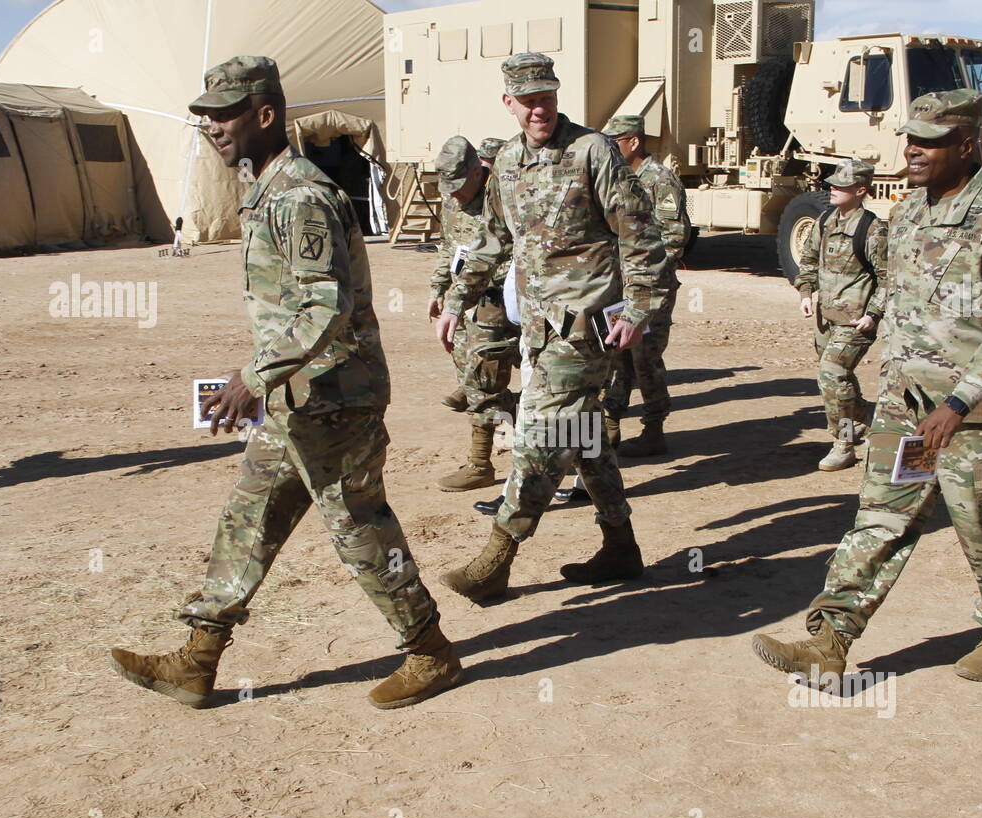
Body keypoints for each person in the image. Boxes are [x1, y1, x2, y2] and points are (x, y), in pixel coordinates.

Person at [110, 56, 461, 710]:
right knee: (249, 516)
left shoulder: (301, 196)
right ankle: (199, 656)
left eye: (224, 115)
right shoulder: (267, 188)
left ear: (265, 115)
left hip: (337, 399)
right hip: (297, 397)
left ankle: (430, 650)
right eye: (205, 117)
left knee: (359, 529)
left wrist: (251, 378)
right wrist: (259, 381)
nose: (212, 127)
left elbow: (323, 306)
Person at [751, 90, 982, 686]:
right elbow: (900, 300)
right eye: (910, 138)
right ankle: (830, 639)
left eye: (930, 141)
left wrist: (958, 403)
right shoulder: (908, 214)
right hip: (908, 407)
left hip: (979, 414)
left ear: (966, 146)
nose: (913, 150)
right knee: (882, 517)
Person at [433, 53, 668, 601]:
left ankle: (497, 557)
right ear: (509, 103)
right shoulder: (508, 163)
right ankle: (621, 547)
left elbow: (638, 233)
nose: (540, 108)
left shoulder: (593, 150)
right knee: (583, 436)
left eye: (548, 96)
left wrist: (637, 308)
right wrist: (454, 300)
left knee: (540, 438)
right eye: (529, 99)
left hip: (586, 328)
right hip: (537, 329)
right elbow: (491, 241)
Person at [427, 135, 519, 492]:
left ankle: (480, 464)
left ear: (477, 171)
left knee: (483, 376)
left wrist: (473, 284)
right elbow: (448, 245)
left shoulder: (503, 195)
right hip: (461, 301)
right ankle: (514, 418)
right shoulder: (452, 201)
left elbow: (517, 254)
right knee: (471, 372)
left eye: (460, 185)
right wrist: (439, 288)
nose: (455, 194)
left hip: (495, 298)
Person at [599, 114, 691, 457]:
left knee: (646, 359)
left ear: (633, 141)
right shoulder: (620, 178)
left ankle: (654, 429)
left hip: (653, 289)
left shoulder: (659, 179)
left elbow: (674, 237)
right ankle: (610, 426)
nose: (609, 149)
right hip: (621, 286)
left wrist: (646, 277)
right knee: (616, 356)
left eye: (614, 142)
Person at [793, 158, 888, 471]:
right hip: (825, 318)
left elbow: (890, 279)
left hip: (856, 321)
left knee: (831, 374)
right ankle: (868, 417)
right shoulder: (824, 221)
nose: (832, 188)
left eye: (841, 185)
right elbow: (807, 262)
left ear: (860, 190)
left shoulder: (872, 229)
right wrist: (806, 294)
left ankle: (843, 442)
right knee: (837, 380)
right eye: (832, 184)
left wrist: (873, 314)